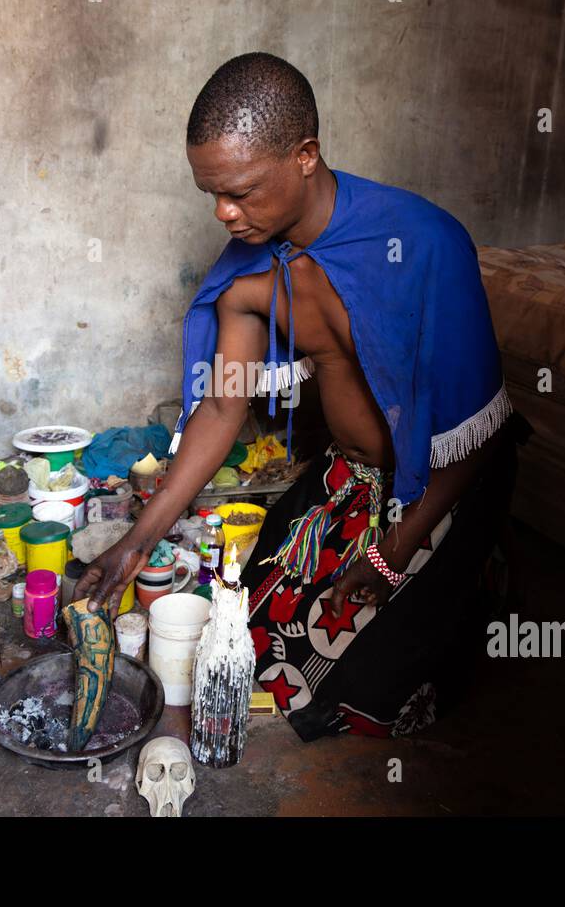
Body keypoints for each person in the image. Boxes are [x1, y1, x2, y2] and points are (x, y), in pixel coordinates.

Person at [77, 52, 525, 740]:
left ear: (306, 155)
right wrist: (137, 541)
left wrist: (391, 552)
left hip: (443, 486)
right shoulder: (248, 279)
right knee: (246, 630)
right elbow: (224, 405)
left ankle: (469, 587)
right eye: (212, 195)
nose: (226, 213)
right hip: (349, 480)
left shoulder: (423, 245)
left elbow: (481, 432)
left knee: (368, 693)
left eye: (244, 191)